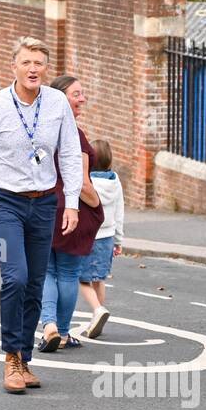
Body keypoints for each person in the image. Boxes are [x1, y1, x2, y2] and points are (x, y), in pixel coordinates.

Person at [0, 37, 82, 394]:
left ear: (46, 69)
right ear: (13, 66)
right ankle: (10, 356)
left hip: (43, 203)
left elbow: (71, 154)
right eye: (27, 62)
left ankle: (25, 358)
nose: (33, 69)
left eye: (40, 63)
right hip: (4, 203)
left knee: (34, 282)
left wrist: (71, 201)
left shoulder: (57, 103)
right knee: (15, 277)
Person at [37, 76, 104, 352]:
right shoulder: (75, 134)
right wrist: (99, 205)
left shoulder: (40, 129)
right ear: (60, 97)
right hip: (71, 210)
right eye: (77, 94)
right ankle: (63, 332)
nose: (82, 99)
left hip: (42, 207)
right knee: (67, 272)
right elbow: (82, 182)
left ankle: (49, 325)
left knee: (46, 272)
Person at [78, 140, 124, 329]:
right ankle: (98, 313)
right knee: (99, 279)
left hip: (88, 236)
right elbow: (120, 211)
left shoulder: (86, 182)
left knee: (79, 278)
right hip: (108, 237)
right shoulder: (115, 181)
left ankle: (98, 309)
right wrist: (119, 240)